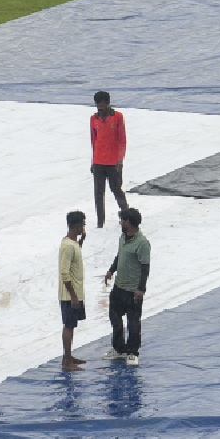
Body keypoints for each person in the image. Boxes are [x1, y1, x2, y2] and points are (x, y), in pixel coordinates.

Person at [103, 207, 151, 365]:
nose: (120, 222)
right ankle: (119, 349)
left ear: (129, 222)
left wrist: (141, 289)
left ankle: (132, 351)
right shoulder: (122, 238)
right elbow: (119, 256)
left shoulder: (142, 243)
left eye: (123, 220)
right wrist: (111, 270)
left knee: (133, 322)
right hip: (118, 287)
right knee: (115, 318)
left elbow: (145, 267)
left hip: (132, 290)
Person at [90, 91, 128, 229]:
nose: (100, 109)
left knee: (116, 189)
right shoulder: (93, 119)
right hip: (99, 162)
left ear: (108, 103)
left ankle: (126, 216)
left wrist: (120, 160)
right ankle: (100, 222)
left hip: (113, 163)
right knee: (98, 193)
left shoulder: (117, 117)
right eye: (97, 106)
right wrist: (93, 161)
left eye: (102, 105)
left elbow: (122, 140)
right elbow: (93, 141)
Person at [59, 210, 88, 372]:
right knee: (68, 326)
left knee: (72, 325)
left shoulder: (72, 244)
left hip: (74, 293)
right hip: (70, 295)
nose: (83, 227)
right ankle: (66, 359)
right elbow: (64, 272)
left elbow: (75, 256)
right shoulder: (68, 246)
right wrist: (73, 296)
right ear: (77, 226)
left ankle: (69, 356)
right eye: (82, 225)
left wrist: (82, 240)